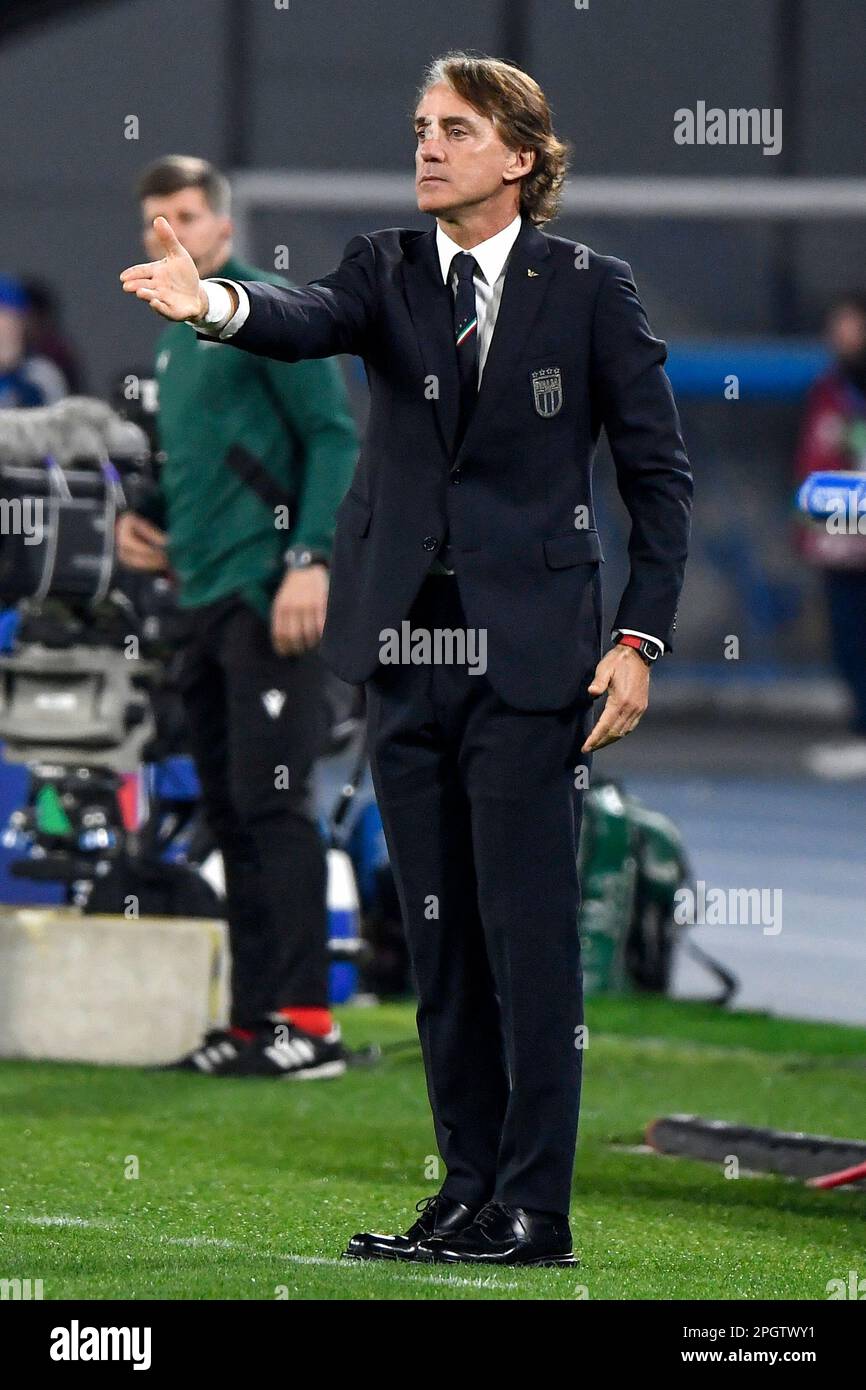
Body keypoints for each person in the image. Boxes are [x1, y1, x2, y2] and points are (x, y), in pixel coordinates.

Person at [121, 56, 692, 1265]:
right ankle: (468, 1189)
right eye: (420, 128)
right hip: (401, 653)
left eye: (454, 130)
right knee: (436, 938)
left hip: (531, 661)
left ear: (518, 158)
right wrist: (216, 301)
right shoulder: (383, 268)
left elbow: (657, 480)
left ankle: (536, 1208)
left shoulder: (592, 290)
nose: (426, 147)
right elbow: (300, 320)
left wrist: (639, 639)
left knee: (525, 941)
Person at [117, 155, 359, 1078]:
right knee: (230, 810)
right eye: (152, 219)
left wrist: (312, 560)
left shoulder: (265, 310)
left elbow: (334, 436)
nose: (166, 231)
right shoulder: (174, 337)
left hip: (271, 599)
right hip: (206, 600)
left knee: (274, 805)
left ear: (222, 226)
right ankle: (259, 1020)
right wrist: (163, 535)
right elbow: (218, 471)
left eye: (184, 214)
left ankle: (311, 1025)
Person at [795, 292, 866, 780]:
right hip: (842, 545)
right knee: (847, 641)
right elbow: (815, 467)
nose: (840, 334)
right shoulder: (829, 389)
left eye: (849, 324)